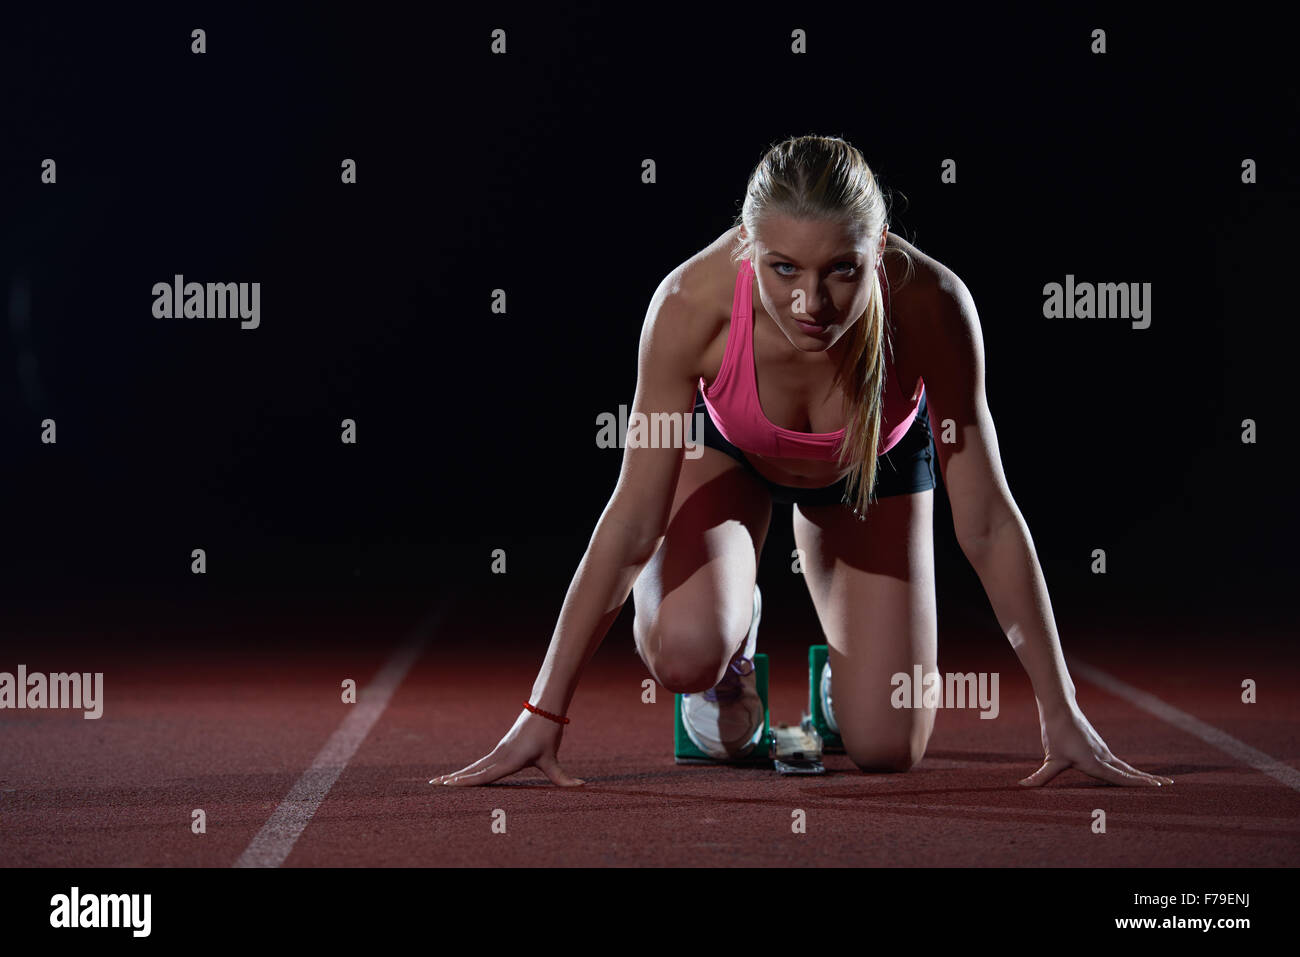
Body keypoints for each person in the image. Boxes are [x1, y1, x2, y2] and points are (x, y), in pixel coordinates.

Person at [430, 135, 1172, 789]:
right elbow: (630, 520)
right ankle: (733, 647)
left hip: (866, 473)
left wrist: (1061, 708)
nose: (810, 301)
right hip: (726, 453)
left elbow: (986, 522)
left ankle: (842, 684)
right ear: (748, 249)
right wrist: (542, 711)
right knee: (685, 650)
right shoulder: (690, 304)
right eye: (783, 268)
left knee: (888, 745)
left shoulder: (934, 305)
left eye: (841, 270)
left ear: (879, 248)